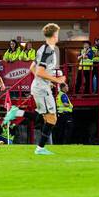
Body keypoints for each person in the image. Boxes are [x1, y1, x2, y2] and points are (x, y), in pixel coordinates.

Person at [29, 22, 66, 156]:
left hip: (41, 86)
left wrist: (46, 81)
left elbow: (32, 68)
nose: (58, 36)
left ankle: (18, 113)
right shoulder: (49, 50)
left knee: (47, 117)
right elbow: (39, 71)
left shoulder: (42, 48)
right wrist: (57, 80)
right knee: (51, 119)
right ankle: (40, 148)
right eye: (57, 33)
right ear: (54, 35)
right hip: (41, 89)